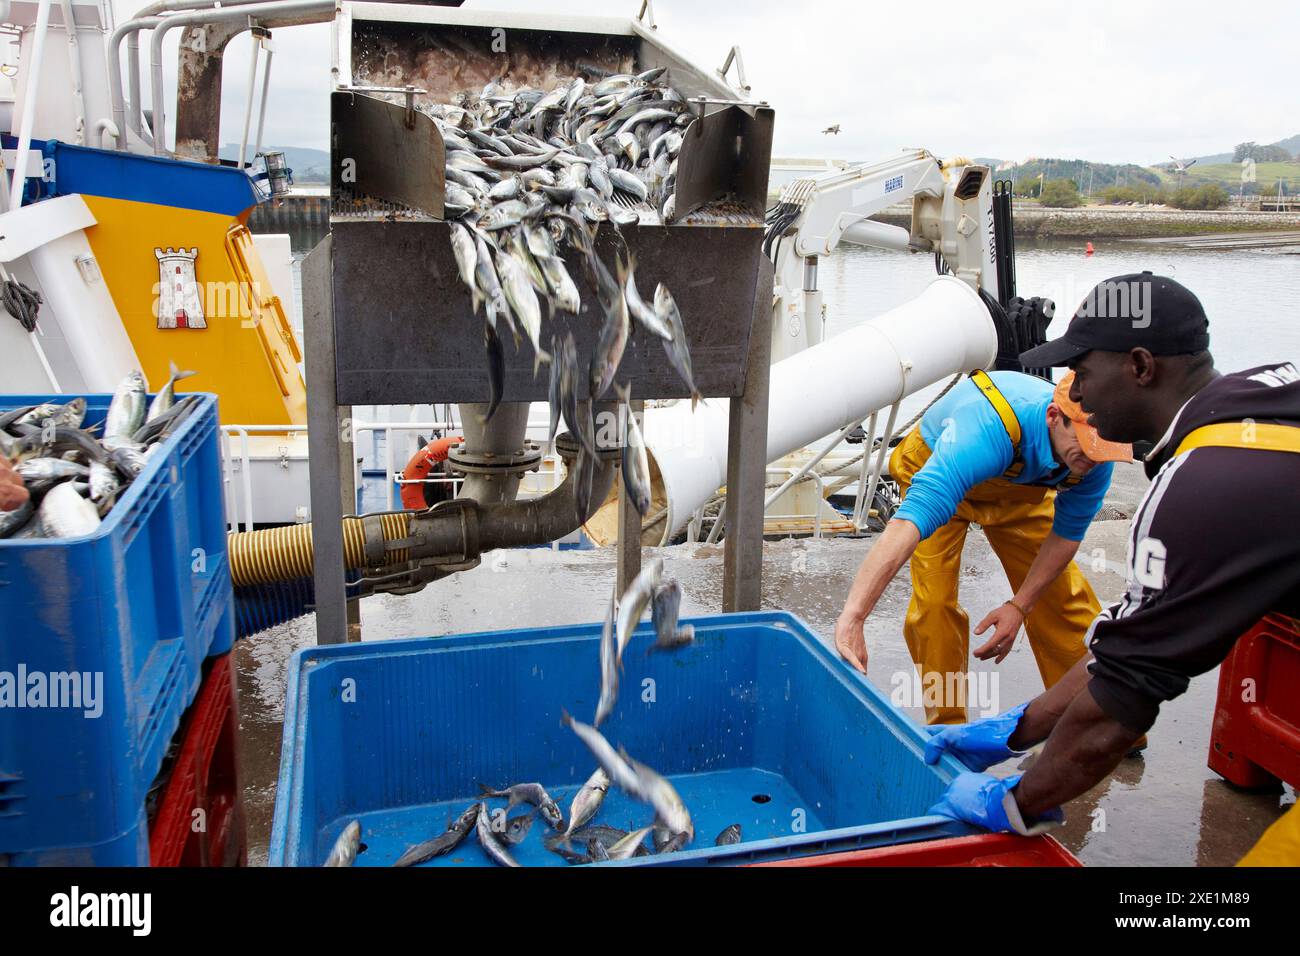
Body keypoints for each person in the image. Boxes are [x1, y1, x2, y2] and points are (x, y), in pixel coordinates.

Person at [924, 273, 1300, 853]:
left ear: (1141, 367)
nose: (1076, 391)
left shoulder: (1200, 488)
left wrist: (1016, 802)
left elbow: (1120, 706)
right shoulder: (1265, 394)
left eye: (1083, 370)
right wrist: (1018, 732)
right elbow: (1129, 636)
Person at [834, 368, 1132, 724]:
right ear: (1054, 417)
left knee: (1064, 598)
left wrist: (1019, 606)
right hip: (939, 462)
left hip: (1018, 491)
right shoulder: (986, 429)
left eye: (1103, 450)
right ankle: (948, 725)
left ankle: (1094, 717)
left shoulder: (1092, 459)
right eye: (1086, 446)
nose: (1095, 459)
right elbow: (908, 523)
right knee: (935, 603)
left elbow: (1065, 537)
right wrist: (855, 615)